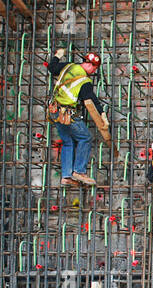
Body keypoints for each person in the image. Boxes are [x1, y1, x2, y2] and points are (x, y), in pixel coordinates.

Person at [47, 48, 111, 186]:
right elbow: (91, 99)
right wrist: (102, 115)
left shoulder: (68, 66)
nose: (94, 71)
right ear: (90, 65)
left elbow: (52, 68)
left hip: (55, 111)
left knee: (68, 142)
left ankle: (66, 176)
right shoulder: (84, 81)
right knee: (85, 138)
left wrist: (57, 56)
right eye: (94, 68)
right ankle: (79, 171)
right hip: (67, 114)